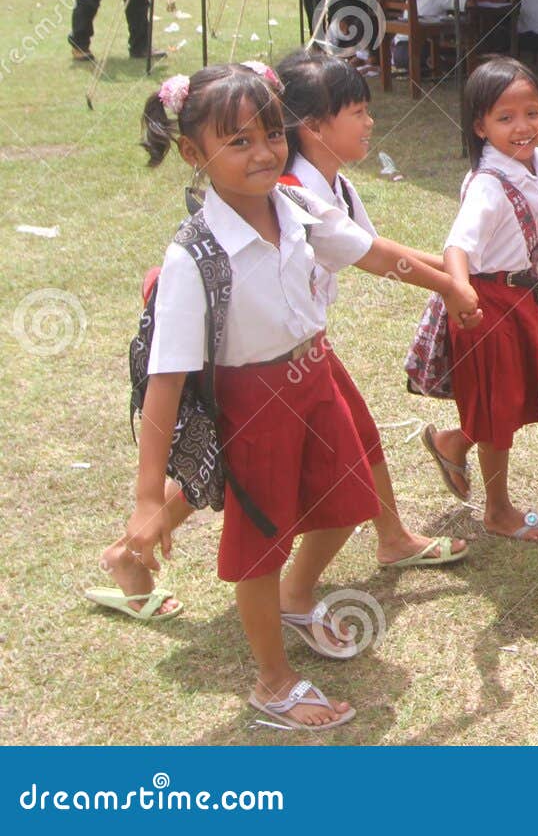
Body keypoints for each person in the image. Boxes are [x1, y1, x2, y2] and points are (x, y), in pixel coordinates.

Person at [119, 63, 480, 729]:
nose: (261, 153)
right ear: (194, 154)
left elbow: (371, 253)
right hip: (251, 404)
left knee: (348, 499)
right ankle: (273, 679)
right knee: (260, 542)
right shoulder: (194, 256)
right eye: (237, 141)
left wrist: (445, 284)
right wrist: (148, 497)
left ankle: (298, 594)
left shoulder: (298, 207)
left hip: (312, 378)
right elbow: (167, 379)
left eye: (269, 134)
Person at [276, 51, 469, 569]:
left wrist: (465, 275)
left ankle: (393, 537)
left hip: (301, 345)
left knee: (358, 430)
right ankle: (139, 540)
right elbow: (376, 258)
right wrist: (451, 286)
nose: (371, 122)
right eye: (358, 112)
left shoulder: (332, 182)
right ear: (314, 126)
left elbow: (378, 244)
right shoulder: (294, 195)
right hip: (273, 354)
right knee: (242, 454)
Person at [421, 58, 538, 545]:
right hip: (485, 302)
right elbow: (457, 246)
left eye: (532, 113)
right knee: (499, 407)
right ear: (480, 126)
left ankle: (452, 441)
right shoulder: (487, 184)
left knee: (516, 396)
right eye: (505, 118)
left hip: (522, 295)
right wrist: (459, 291)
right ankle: (498, 511)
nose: (523, 127)